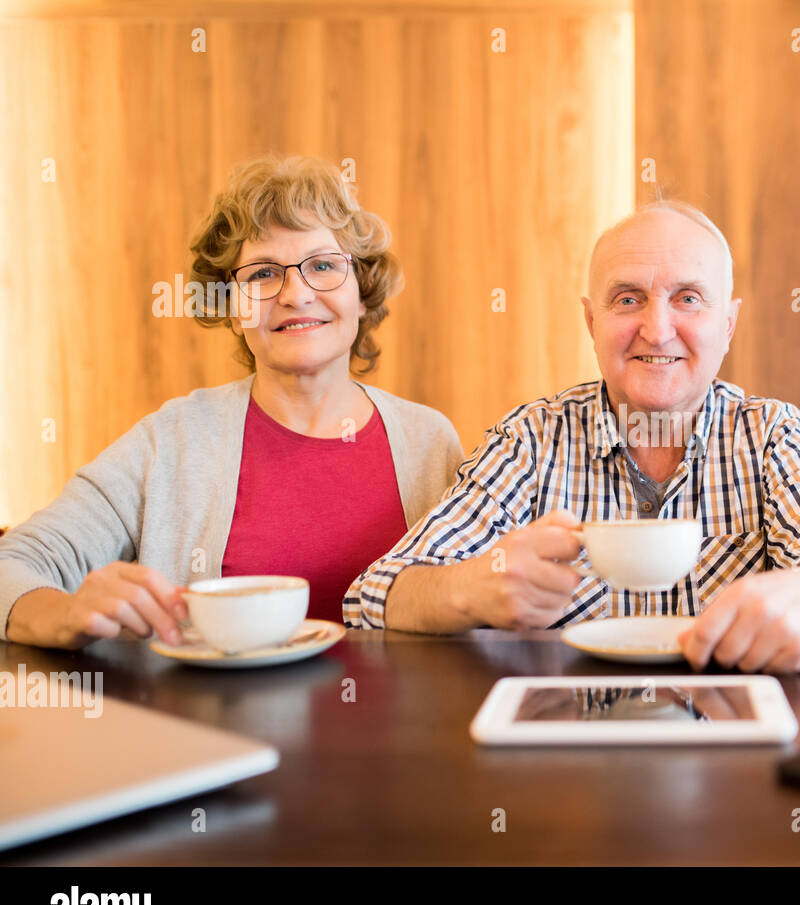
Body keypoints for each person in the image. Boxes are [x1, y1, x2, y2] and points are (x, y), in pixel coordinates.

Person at [346, 201, 800, 673]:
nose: (657, 328)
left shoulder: (769, 435)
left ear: (729, 324)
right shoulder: (531, 441)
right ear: (591, 322)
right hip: (570, 758)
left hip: (732, 750)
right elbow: (374, 594)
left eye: (688, 298)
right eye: (628, 299)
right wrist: (471, 588)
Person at [0, 156, 463, 649]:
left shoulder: (430, 443)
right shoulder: (171, 441)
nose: (296, 294)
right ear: (231, 307)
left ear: (363, 293)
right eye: (263, 274)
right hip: (212, 725)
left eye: (323, 265)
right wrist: (64, 613)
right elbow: (13, 563)